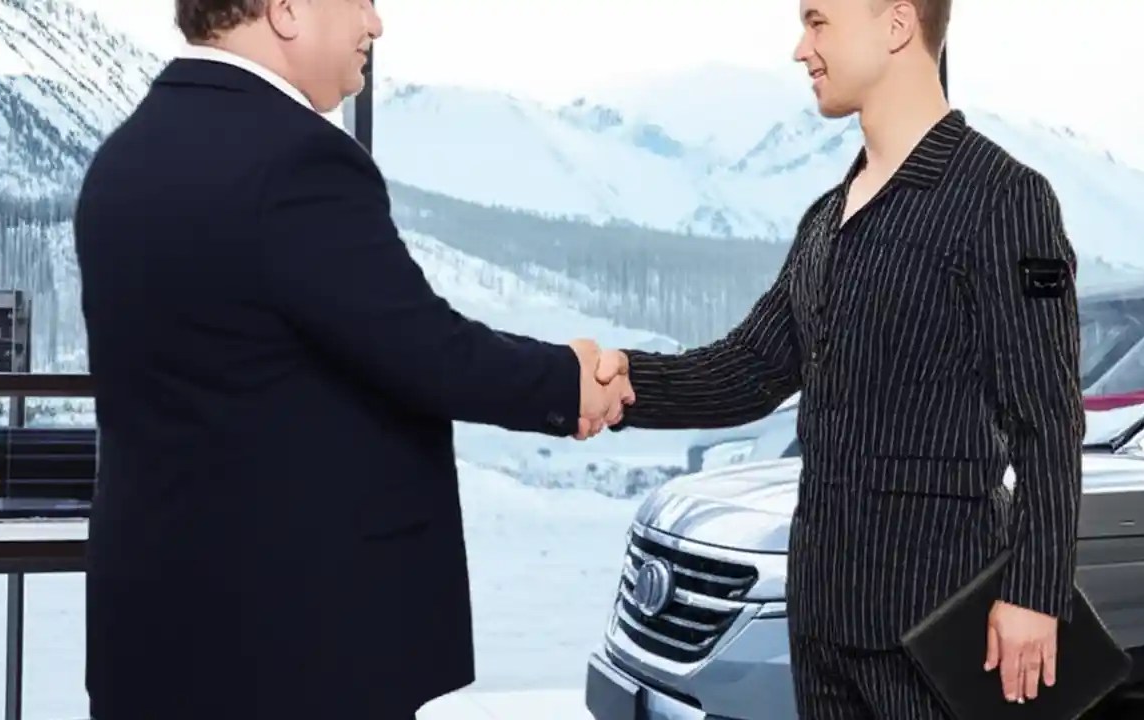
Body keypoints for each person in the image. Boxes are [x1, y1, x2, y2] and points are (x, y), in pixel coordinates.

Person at [74, 1, 631, 718]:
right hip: (288, 650)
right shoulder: (294, 157)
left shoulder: (125, 156)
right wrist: (568, 380)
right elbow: (424, 349)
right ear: (285, 11)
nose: (376, 23)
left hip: (151, 637)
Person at [594, 0, 1085, 717]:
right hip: (822, 619)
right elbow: (749, 367)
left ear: (894, 25)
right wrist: (616, 380)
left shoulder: (1005, 198)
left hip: (941, 628)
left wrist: (1035, 597)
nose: (801, 48)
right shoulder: (828, 217)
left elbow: (1048, 421)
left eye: (818, 21)